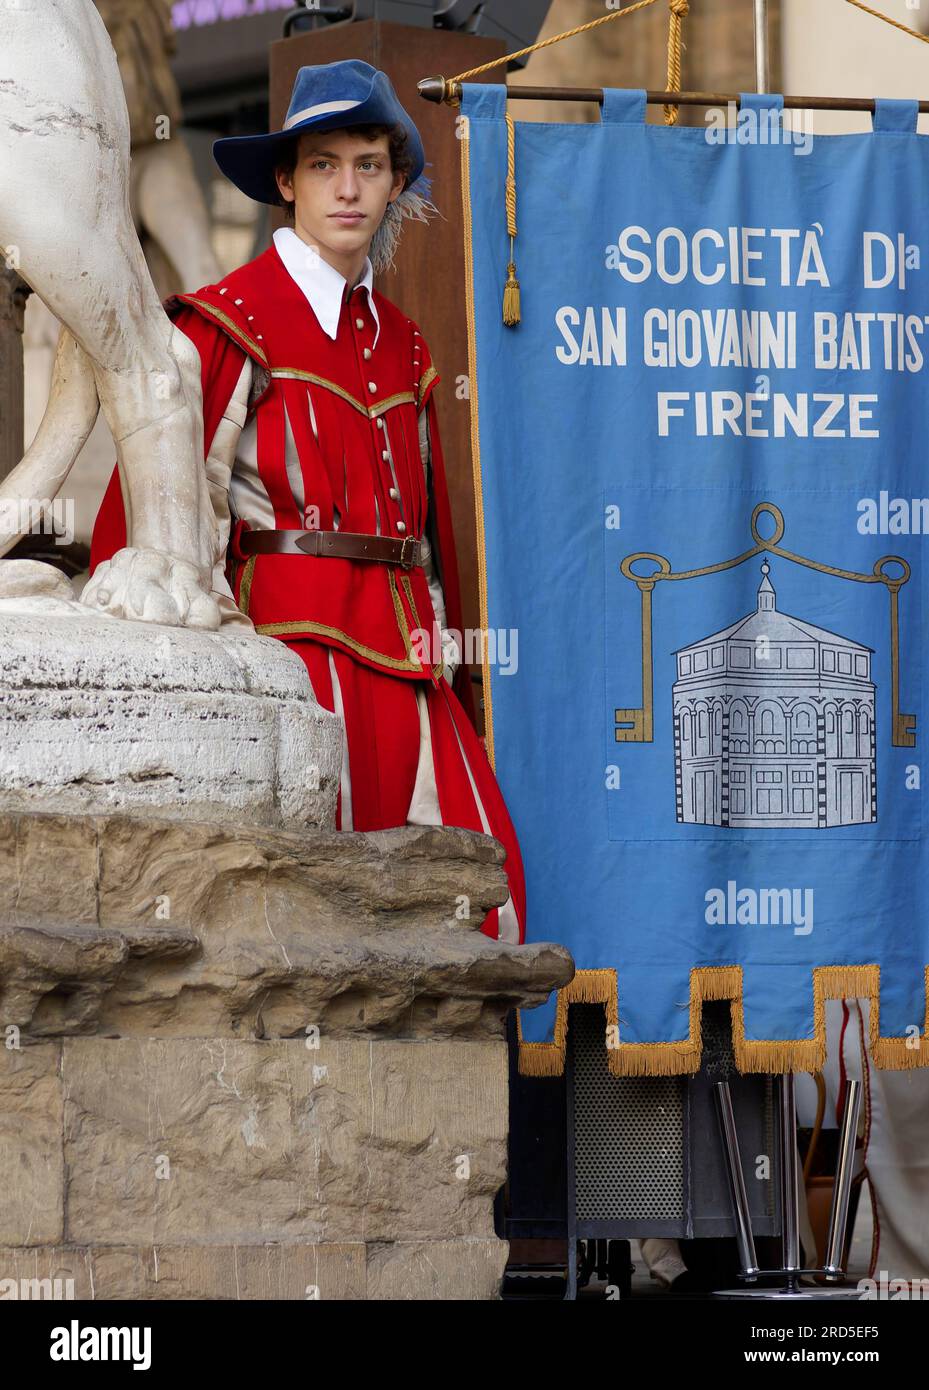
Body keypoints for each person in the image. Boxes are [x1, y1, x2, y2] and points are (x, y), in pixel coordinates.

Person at [90, 59, 525, 943]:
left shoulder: (404, 343)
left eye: (369, 165)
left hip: (408, 659)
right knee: (308, 912)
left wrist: (449, 643)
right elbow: (153, 517)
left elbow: (429, 530)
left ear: (395, 182)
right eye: (324, 165)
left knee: (484, 898)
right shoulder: (222, 320)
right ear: (286, 182)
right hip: (288, 658)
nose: (348, 188)